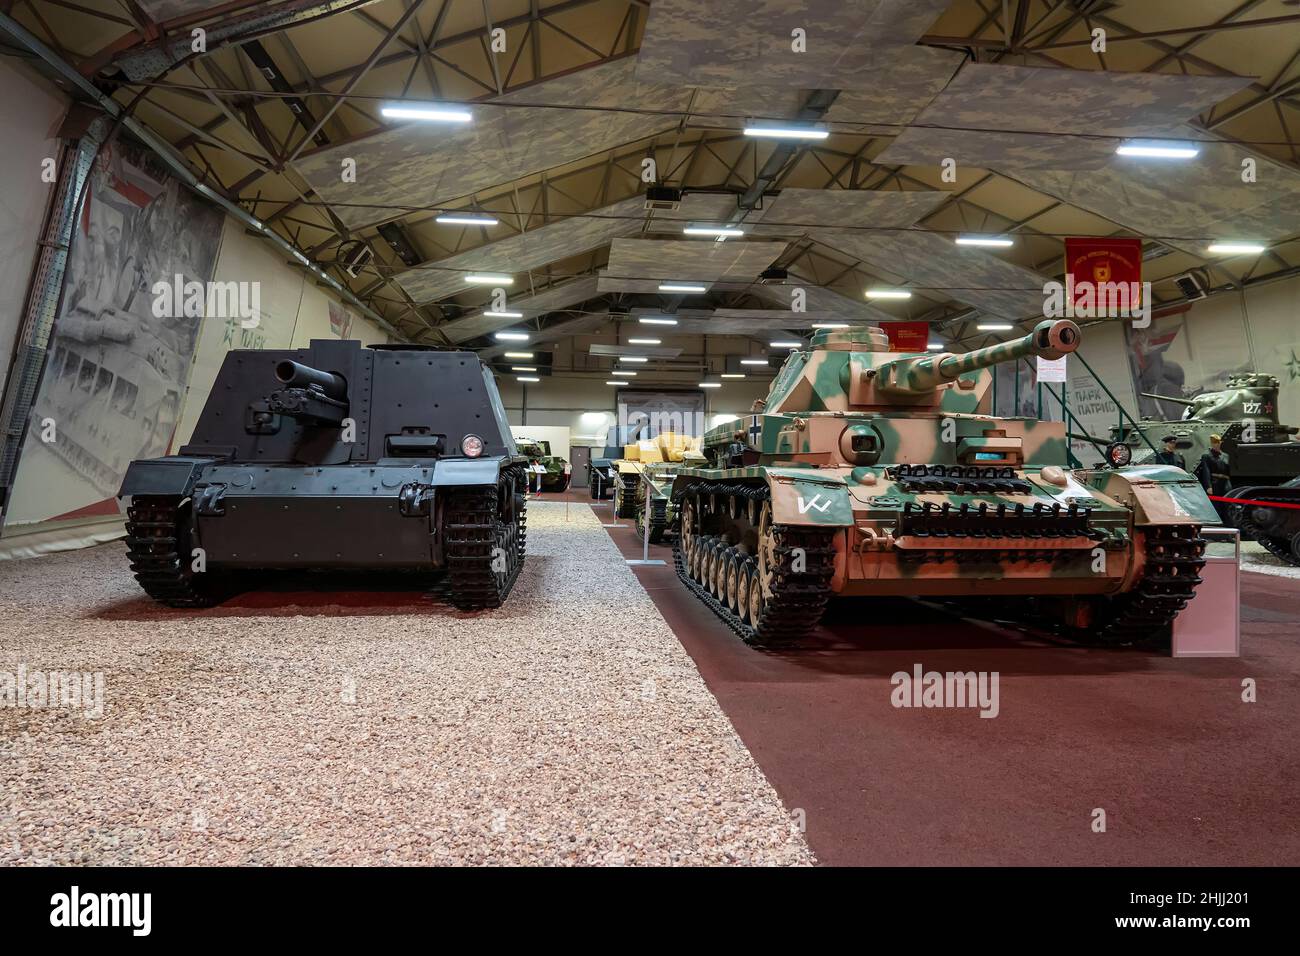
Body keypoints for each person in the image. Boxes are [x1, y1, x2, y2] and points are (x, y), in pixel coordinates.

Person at [1195, 434, 1233, 520]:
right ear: (1212, 444)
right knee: (1215, 505)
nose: (1217, 444)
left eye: (1218, 442)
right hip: (1214, 482)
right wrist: (1208, 486)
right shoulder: (1207, 456)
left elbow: (1228, 472)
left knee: (1226, 504)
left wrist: (1229, 484)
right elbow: (1206, 471)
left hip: (1225, 483)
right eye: (1215, 443)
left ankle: (1226, 521)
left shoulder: (1225, 456)